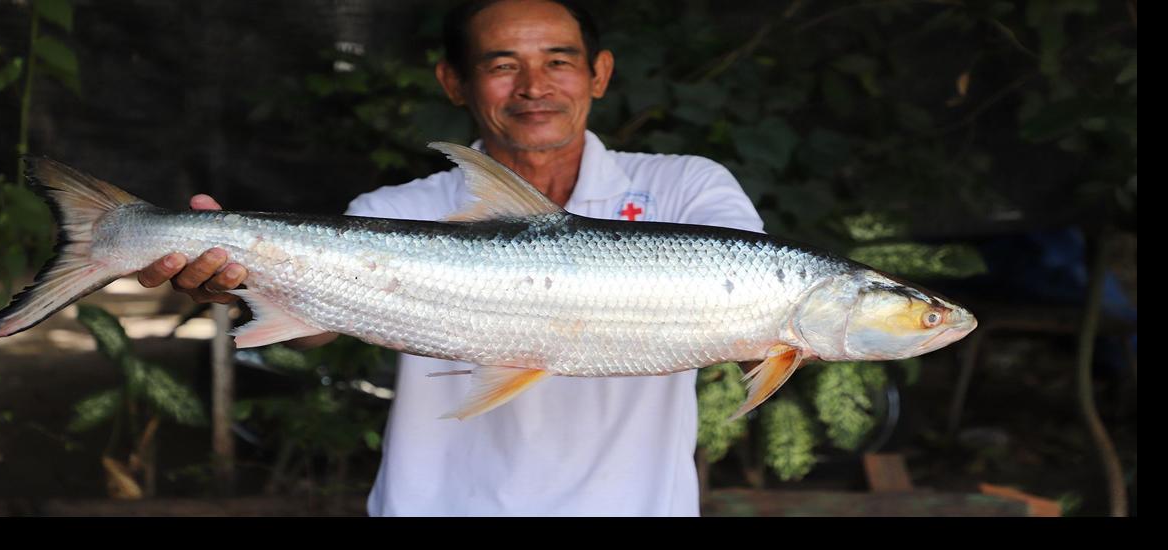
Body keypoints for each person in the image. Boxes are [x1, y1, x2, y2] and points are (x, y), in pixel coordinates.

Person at [134, 0, 763, 516]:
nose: (534, 87)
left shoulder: (691, 188)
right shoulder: (392, 207)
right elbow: (317, 327)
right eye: (501, 64)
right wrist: (243, 283)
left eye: (559, 61)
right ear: (453, 82)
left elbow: (753, 303)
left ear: (599, 74)